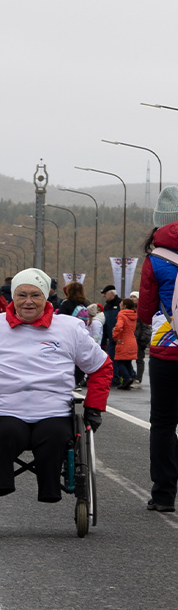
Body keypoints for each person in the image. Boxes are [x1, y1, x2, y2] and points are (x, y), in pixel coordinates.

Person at [0, 268, 110, 504]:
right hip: (4, 409)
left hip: (53, 410)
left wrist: (94, 408)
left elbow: (101, 366)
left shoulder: (69, 328)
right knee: (7, 434)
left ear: (46, 297)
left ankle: (50, 490)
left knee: (54, 437)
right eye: (21, 295)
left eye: (35, 295)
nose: (28, 302)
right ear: (12, 297)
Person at [138, 187, 178, 511]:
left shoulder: (156, 259)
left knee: (164, 423)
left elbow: (145, 310)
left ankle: (164, 495)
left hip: (167, 350)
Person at [112, 297, 139, 389]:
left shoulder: (122, 314)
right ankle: (129, 380)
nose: (120, 305)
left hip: (123, 341)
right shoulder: (134, 315)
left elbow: (119, 327)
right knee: (127, 362)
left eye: (121, 304)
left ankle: (127, 379)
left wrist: (115, 336)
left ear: (125, 306)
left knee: (119, 362)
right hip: (132, 340)